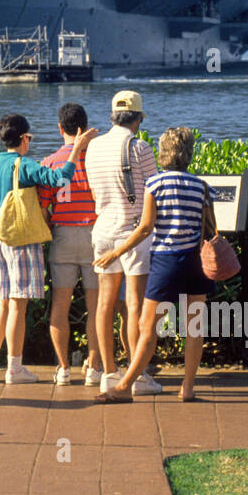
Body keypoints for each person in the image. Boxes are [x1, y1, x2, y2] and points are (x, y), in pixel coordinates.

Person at [0, 113, 96, 384]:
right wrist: (76, 148)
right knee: (18, 303)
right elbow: (61, 179)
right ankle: (14, 368)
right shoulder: (24, 166)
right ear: (24, 139)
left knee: (2, 302)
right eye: (30, 137)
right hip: (20, 239)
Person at [96, 127, 215, 403]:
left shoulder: (155, 184)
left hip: (166, 261)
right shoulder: (201, 186)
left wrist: (116, 253)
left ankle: (125, 386)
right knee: (194, 327)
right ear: (188, 154)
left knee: (148, 328)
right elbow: (209, 227)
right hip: (195, 262)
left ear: (163, 152)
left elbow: (146, 228)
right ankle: (187, 387)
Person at [84, 91, 160, 395]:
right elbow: (154, 193)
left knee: (104, 304)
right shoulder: (140, 147)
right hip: (133, 233)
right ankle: (137, 375)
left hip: (102, 229)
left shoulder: (93, 147)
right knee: (134, 305)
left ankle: (109, 373)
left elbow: (94, 192)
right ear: (138, 118)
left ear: (112, 116)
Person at [35, 103, 99, 386]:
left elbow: (42, 207)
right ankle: (94, 367)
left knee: (60, 305)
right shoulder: (97, 159)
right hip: (95, 236)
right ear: (85, 128)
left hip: (62, 235)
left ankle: (63, 369)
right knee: (97, 307)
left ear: (60, 128)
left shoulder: (49, 162)